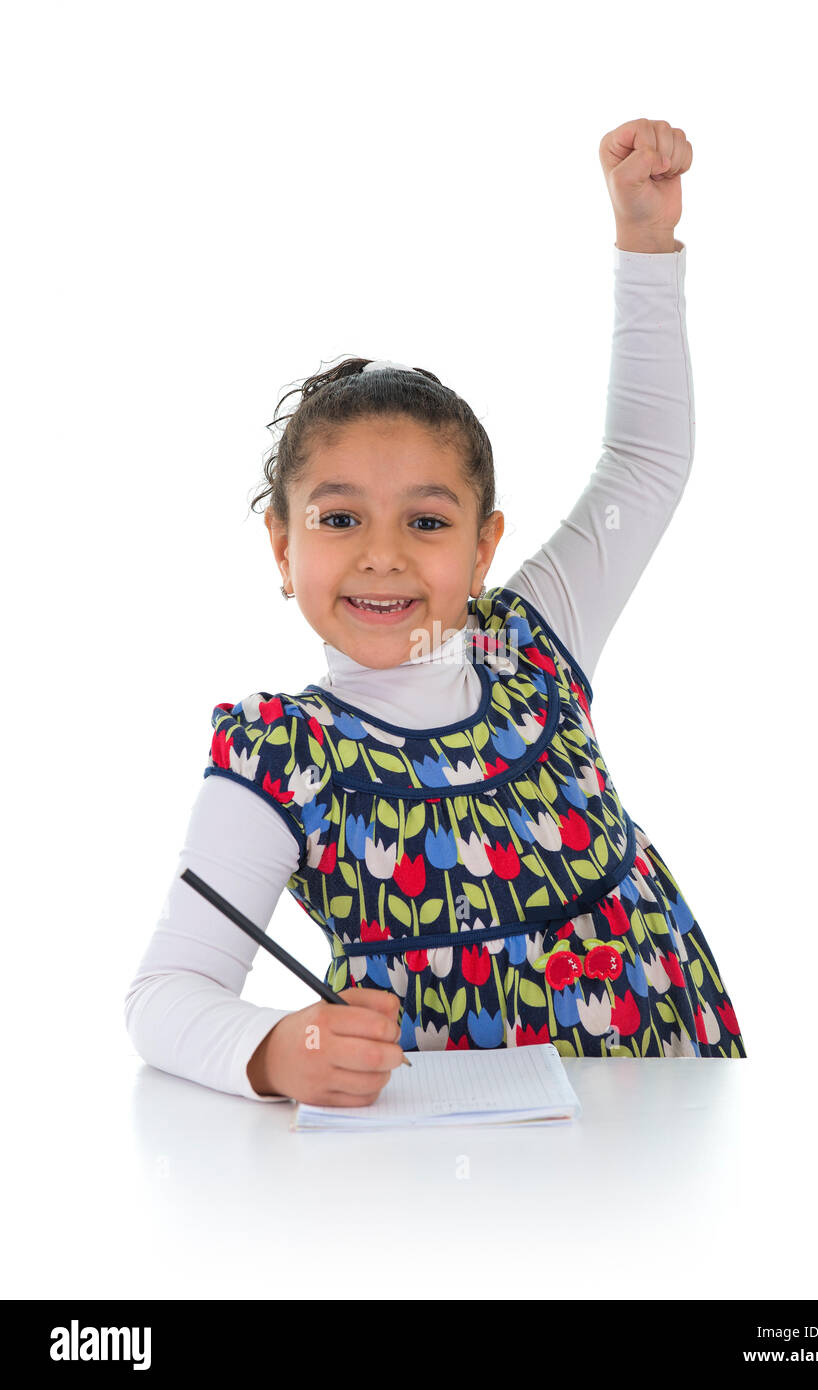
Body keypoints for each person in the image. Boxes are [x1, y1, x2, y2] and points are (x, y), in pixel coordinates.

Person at [125, 116, 746, 1108]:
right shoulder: (281, 756)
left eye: (425, 518)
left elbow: (645, 462)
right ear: (283, 550)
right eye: (339, 517)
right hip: (453, 1177)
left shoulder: (528, 639)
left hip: (674, 1114)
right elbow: (165, 993)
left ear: (483, 547)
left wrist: (643, 242)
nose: (383, 552)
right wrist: (277, 1048)